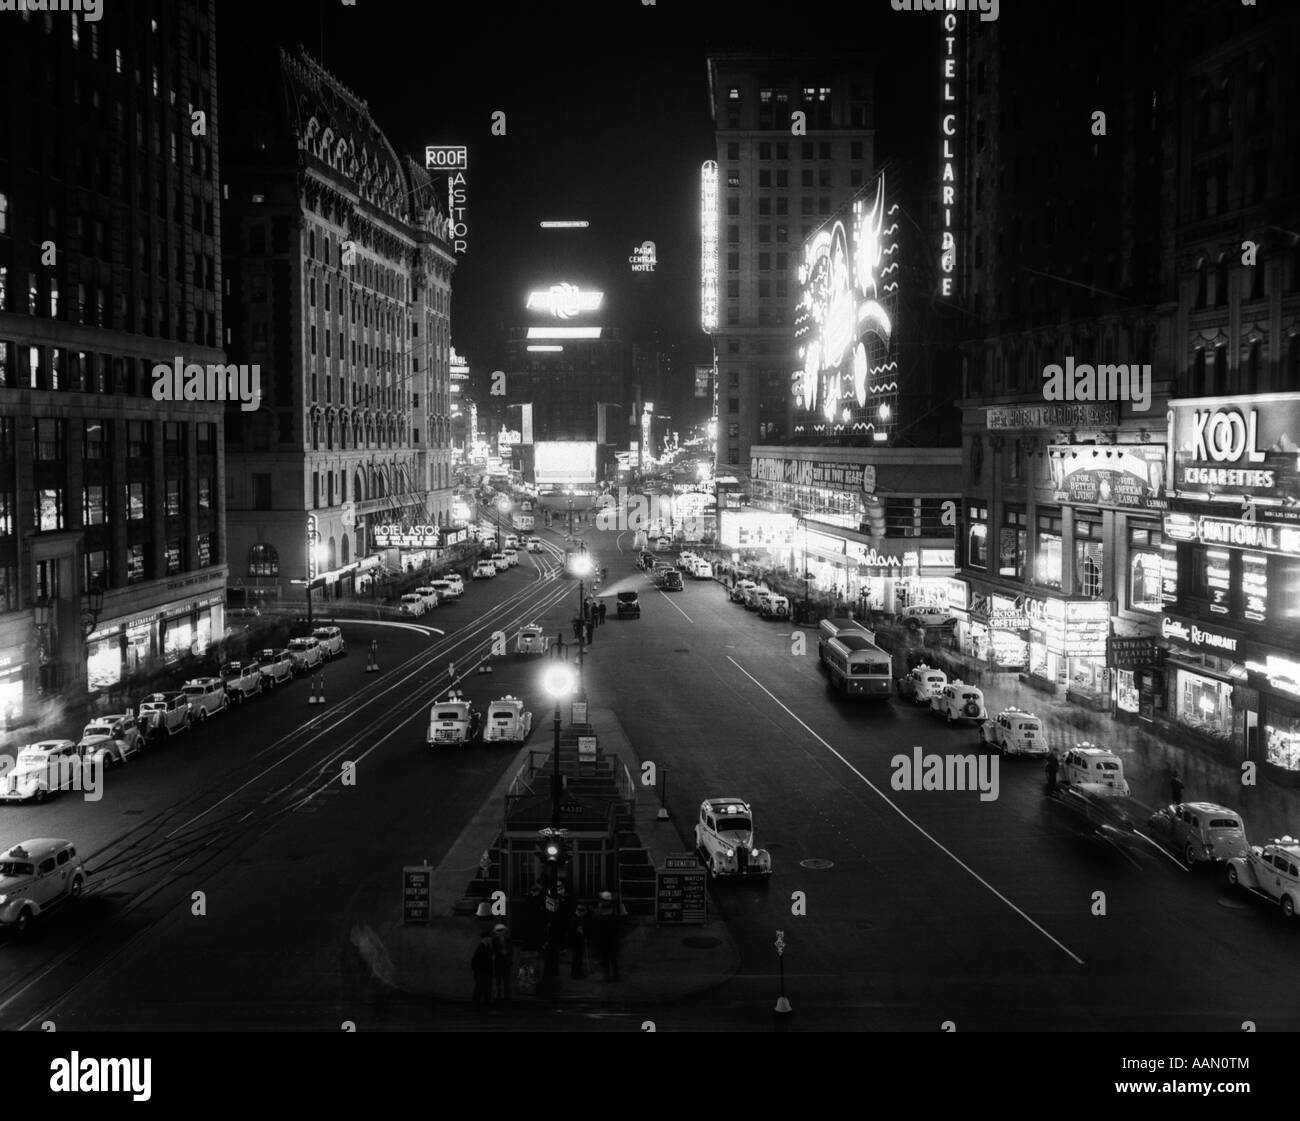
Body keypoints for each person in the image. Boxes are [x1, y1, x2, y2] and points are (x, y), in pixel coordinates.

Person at [471, 930, 494, 1008]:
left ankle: (479, 1003)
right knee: (482, 987)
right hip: (482, 970)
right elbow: (481, 959)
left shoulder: (484, 945)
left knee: (481, 987)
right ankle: (480, 1004)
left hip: (482, 970)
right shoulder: (484, 947)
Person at [492, 923, 513, 1003]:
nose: (500, 932)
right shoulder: (494, 940)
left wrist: (509, 959)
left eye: (502, 930)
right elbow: (494, 950)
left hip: (506, 962)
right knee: (498, 981)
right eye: (498, 931)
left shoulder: (508, 940)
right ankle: (498, 996)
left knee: (506, 980)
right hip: (498, 962)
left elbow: (511, 951)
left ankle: (506, 996)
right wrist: (501, 952)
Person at [570, 905, 589, 979]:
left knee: (578, 958)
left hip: (579, 941)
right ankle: (576, 974)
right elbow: (573, 930)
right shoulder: (575, 919)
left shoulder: (579, 918)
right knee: (576, 958)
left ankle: (578, 972)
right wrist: (579, 930)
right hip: (576, 941)